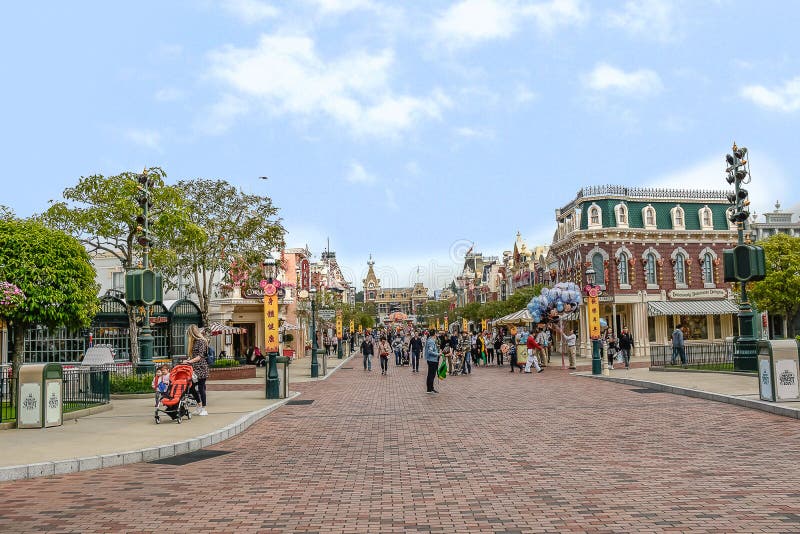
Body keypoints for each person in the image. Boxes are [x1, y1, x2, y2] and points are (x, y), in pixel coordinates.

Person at [186, 324, 210, 416]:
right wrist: (188, 360)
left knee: (201, 387)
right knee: (191, 387)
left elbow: (200, 356)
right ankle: (199, 405)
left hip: (201, 367)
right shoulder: (194, 342)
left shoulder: (201, 341)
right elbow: (193, 356)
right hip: (194, 367)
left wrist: (189, 361)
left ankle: (203, 408)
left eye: (189, 334)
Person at [424, 329, 440, 393]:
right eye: (437, 333)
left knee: (431, 374)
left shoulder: (431, 340)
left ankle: (430, 388)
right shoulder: (431, 341)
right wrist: (438, 354)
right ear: (435, 334)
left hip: (431, 360)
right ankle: (430, 389)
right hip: (432, 360)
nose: (437, 334)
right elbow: (430, 351)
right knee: (431, 375)